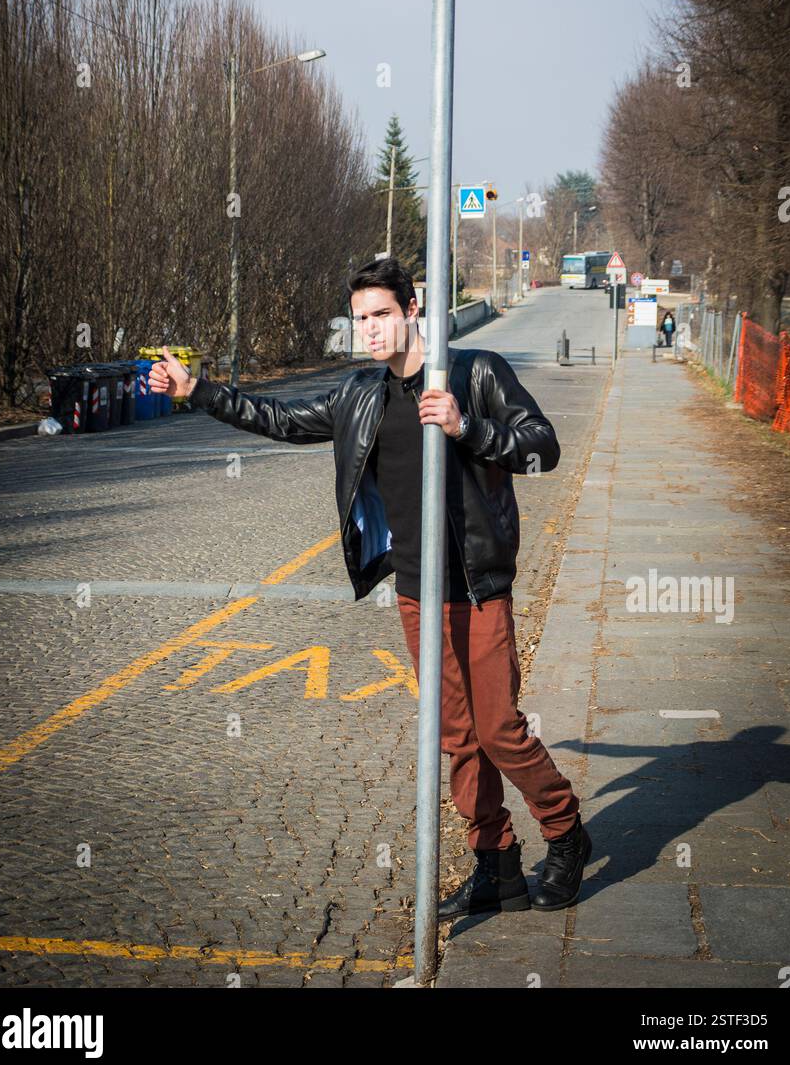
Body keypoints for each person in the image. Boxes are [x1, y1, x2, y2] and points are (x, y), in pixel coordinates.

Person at [150, 257, 591, 920]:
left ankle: (564, 834)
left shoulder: (475, 373)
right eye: (360, 320)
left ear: (413, 310)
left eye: (381, 315)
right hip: (416, 589)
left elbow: (542, 446)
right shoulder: (361, 395)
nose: (371, 331)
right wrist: (199, 391)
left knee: (499, 729)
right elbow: (280, 418)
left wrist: (467, 428)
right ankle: (495, 866)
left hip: (476, 584)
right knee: (458, 736)